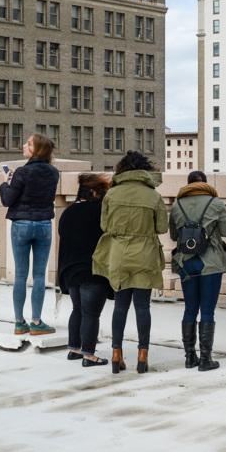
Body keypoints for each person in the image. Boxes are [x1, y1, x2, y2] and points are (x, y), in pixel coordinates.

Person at [92, 151, 167, 374]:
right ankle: (143, 355)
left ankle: (117, 354)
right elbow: (162, 227)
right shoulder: (153, 195)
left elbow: (105, 226)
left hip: (119, 255)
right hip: (145, 254)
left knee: (120, 306)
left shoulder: (112, 194)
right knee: (143, 307)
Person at [169, 170, 226, 371]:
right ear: (205, 183)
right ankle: (206, 359)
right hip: (210, 262)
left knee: (190, 308)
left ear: (188, 184)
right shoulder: (216, 203)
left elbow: (174, 236)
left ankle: (190, 357)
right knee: (207, 310)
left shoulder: (177, 205)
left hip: (186, 262)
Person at [0, 133, 60, 336]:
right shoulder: (54, 172)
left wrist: (6, 182)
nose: (24, 145)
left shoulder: (22, 172)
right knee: (40, 275)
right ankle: (36, 322)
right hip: (44, 224)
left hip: (22, 224)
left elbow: (8, 200)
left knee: (20, 275)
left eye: (29, 144)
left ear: (38, 149)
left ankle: (19, 323)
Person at [57, 173, 114, 367]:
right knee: (91, 314)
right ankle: (89, 355)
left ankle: (74, 349)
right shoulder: (99, 212)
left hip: (70, 270)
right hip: (92, 270)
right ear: (93, 192)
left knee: (77, 309)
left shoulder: (68, 212)